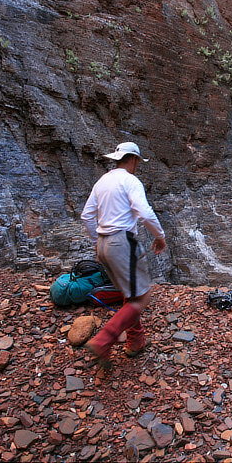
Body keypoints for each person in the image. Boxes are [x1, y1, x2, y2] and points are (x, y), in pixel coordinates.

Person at [80, 142, 167, 361]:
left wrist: (98, 241)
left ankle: (135, 341)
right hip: (122, 243)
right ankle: (104, 339)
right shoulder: (130, 180)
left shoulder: (103, 181)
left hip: (103, 244)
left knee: (130, 294)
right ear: (134, 160)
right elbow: (144, 213)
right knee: (141, 298)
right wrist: (160, 236)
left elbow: (87, 216)